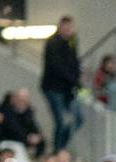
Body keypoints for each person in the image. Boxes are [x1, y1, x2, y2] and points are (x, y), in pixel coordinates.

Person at [41, 15, 81, 151]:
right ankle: (57, 150)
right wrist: (74, 80)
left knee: (78, 118)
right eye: (66, 27)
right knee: (61, 121)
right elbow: (58, 67)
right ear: (60, 27)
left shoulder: (72, 42)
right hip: (54, 88)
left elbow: (74, 62)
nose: (68, 30)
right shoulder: (53, 43)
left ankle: (62, 145)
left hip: (67, 89)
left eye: (70, 27)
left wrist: (77, 80)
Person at [0, 88, 44, 157]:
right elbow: (13, 128)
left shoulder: (28, 113)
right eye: (20, 99)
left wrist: (38, 136)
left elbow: (33, 126)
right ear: (14, 99)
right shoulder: (7, 111)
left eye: (25, 99)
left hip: (25, 141)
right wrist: (28, 138)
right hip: (10, 141)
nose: (22, 102)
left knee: (42, 142)